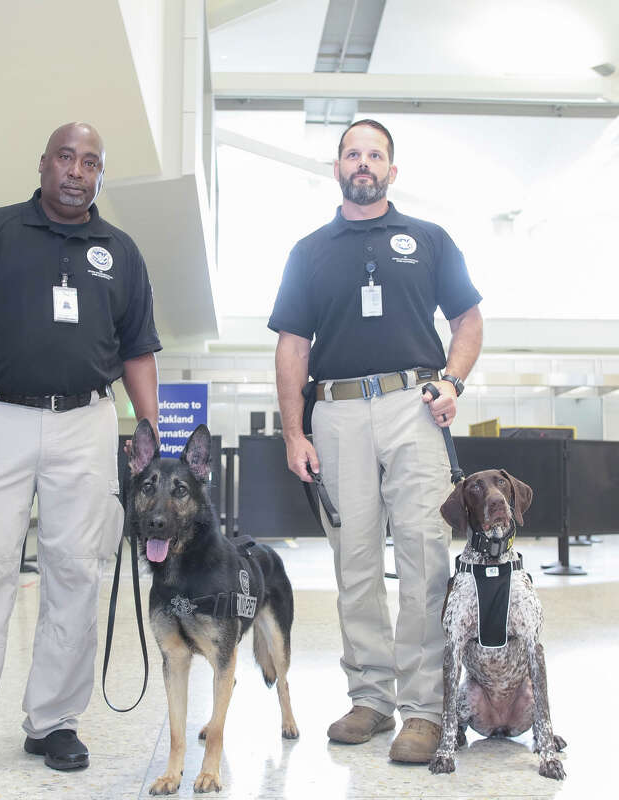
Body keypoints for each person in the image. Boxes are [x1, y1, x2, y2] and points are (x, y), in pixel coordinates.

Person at [0, 123, 161, 787]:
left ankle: (54, 721)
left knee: (77, 572)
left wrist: (150, 431)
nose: (77, 171)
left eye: (91, 162)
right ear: (44, 164)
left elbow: (138, 351)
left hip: (87, 422)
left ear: (101, 175)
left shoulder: (121, 252)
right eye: (66, 158)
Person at [269, 119, 483, 763]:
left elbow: (468, 320)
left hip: (413, 407)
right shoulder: (309, 251)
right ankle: (370, 698)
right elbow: (292, 345)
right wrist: (292, 431)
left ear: (393, 169)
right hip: (335, 413)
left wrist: (453, 381)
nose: (363, 163)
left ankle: (424, 709)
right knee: (353, 560)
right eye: (352, 153)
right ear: (336, 166)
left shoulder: (430, 239)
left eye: (375, 155)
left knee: (424, 555)